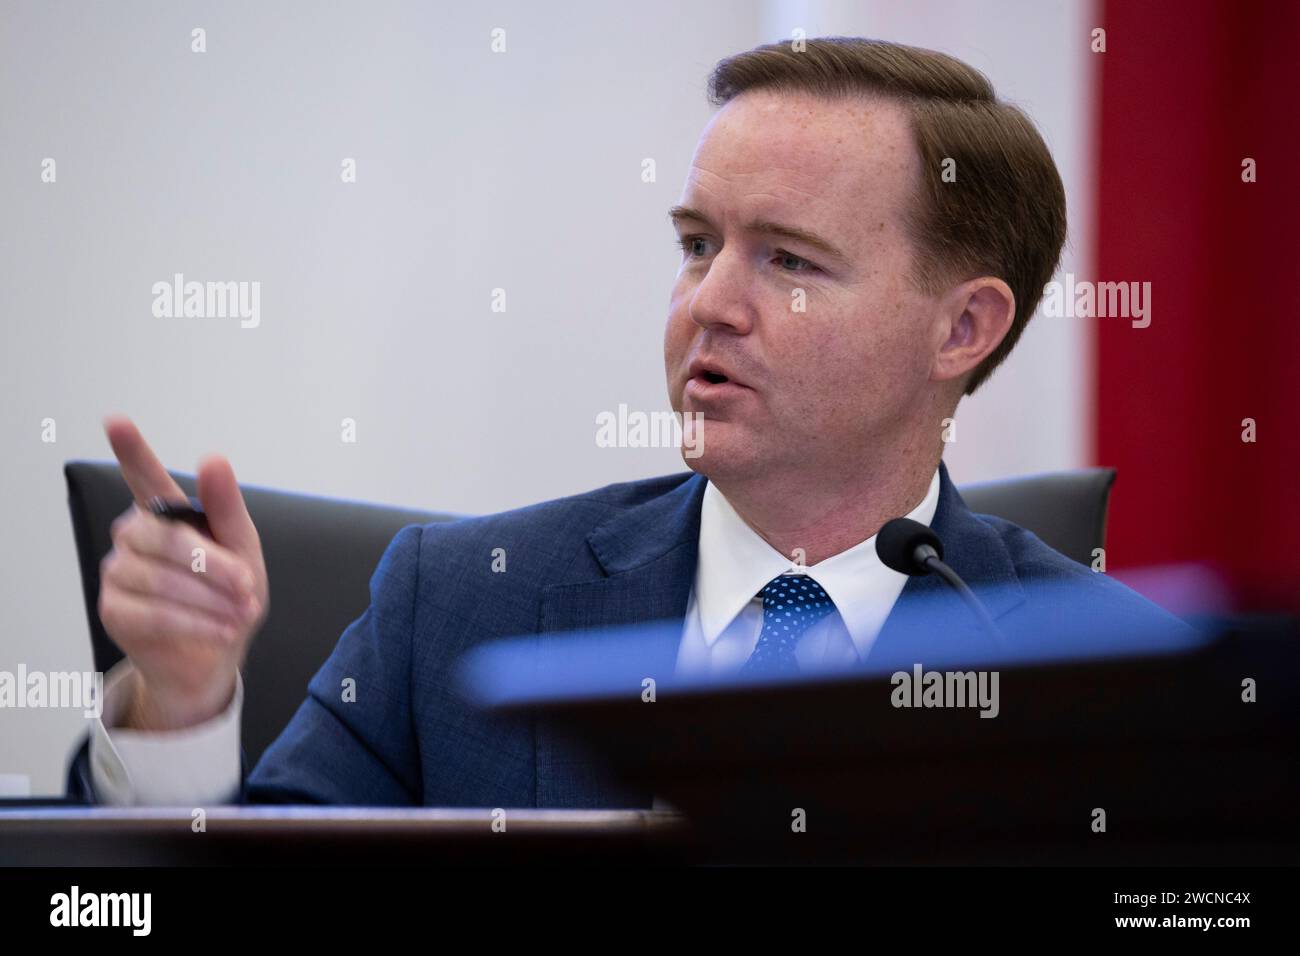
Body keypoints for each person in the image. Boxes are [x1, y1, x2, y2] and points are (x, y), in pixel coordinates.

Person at [68, 37, 1185, 807]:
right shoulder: (456, 605)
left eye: (787, 260)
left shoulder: (1109, 680)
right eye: (698, 244)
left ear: (962, 329)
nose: (707, 303)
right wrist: (178, 702)